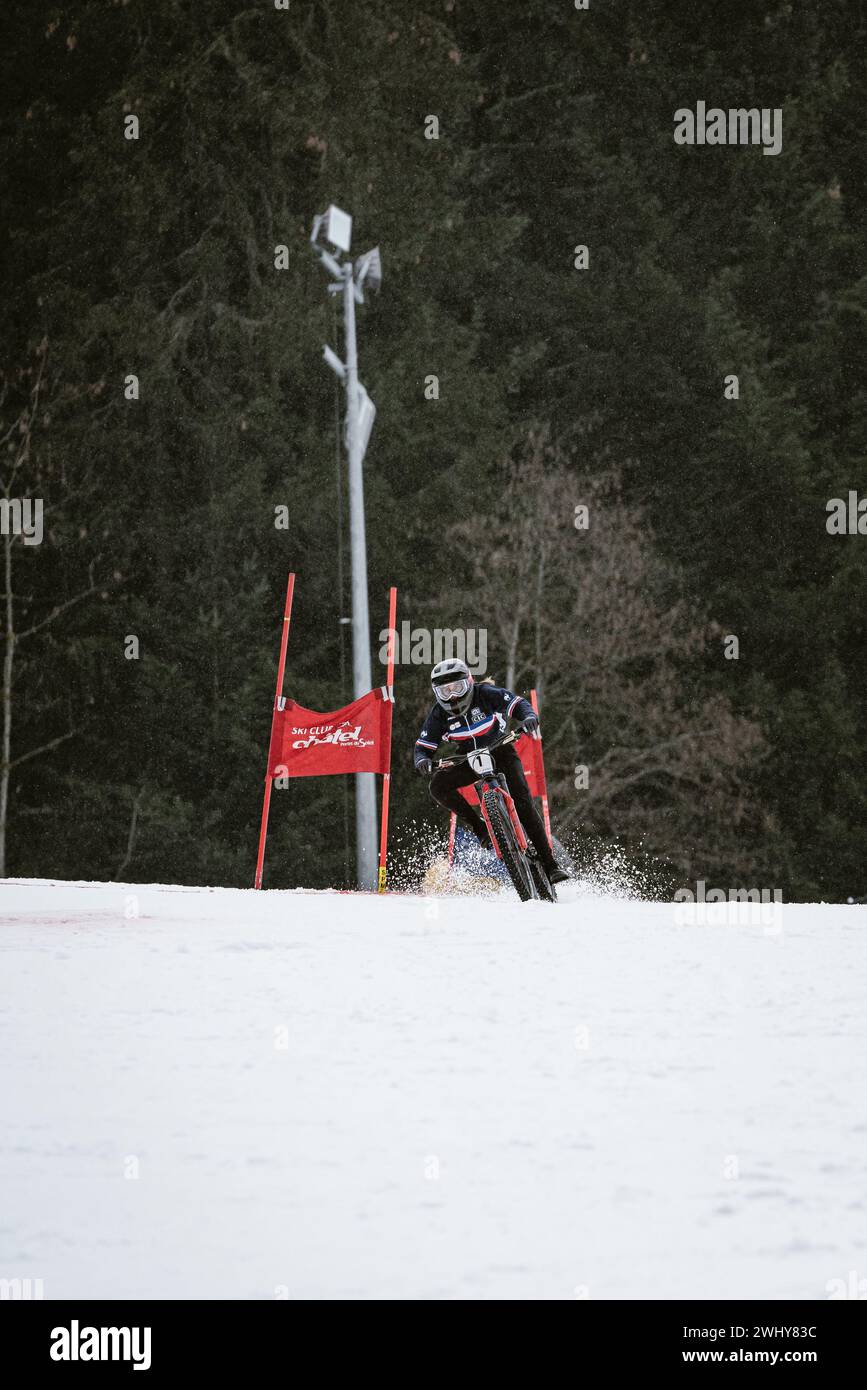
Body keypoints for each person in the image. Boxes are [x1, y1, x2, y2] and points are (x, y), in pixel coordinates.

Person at [414, 658, 569, 884]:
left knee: (524, 803)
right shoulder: (439, 714)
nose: (453, 696)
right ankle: (480, 828)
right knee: (437, 785)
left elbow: (517, 703)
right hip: (469, 760)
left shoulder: (485, 693)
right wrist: (423, 760)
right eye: (444, 691)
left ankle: (550, 864)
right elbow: (422, 747)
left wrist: (528, 717)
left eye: (457, 688)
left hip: (501, 751)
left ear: (468, 682)